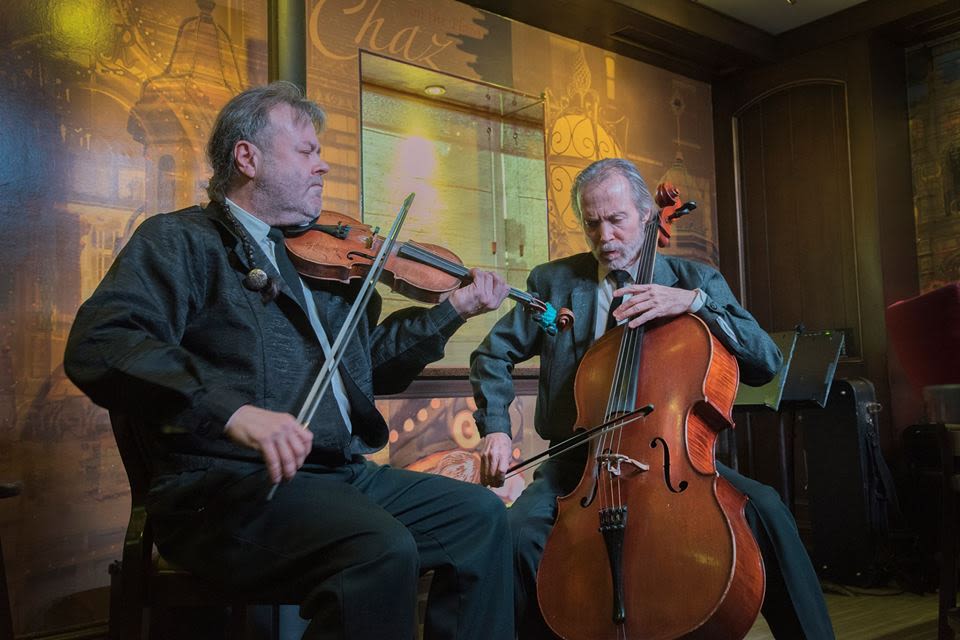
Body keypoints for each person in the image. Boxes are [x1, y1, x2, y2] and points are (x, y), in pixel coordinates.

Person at [65, 81, 515, 640]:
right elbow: (104, 341)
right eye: (306, 150)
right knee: (377, 548)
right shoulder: (181, 240)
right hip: (227, 488)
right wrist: (232, 411)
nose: (323, 166)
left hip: (339, 475)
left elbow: (364, 368)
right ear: (247, 158)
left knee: (481, 517)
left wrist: (454, 310)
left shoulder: (315, 262)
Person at [470, 158, 835, 639]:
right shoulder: (553, 282)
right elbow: (490, 355)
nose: (605, 236)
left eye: (616, 220)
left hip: (670, 458)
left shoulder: (692, 280)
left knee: (766, 509)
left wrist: (694, 305)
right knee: (517, 538)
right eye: (592, 222)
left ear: (646, 216)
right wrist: (496, 427)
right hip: (575, 466)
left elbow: (766, 360)